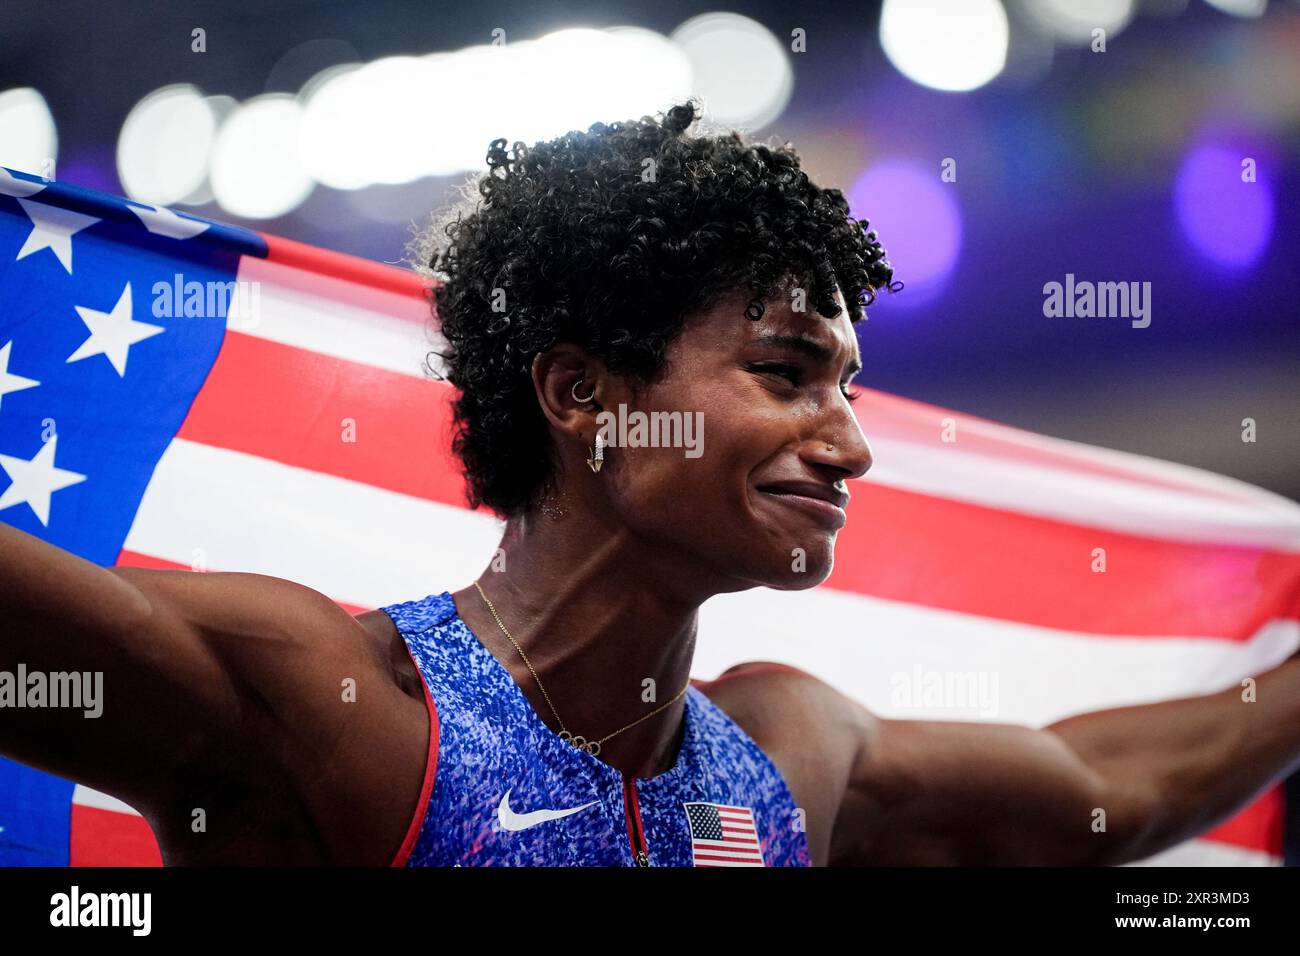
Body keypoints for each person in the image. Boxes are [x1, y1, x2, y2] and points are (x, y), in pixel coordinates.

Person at [3, 100, 1298, 866]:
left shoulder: (795, 759)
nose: (849, 445)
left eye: (846, 388)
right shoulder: (327, 702)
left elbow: (1114, 792)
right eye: (788, 372)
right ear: (584, 397)